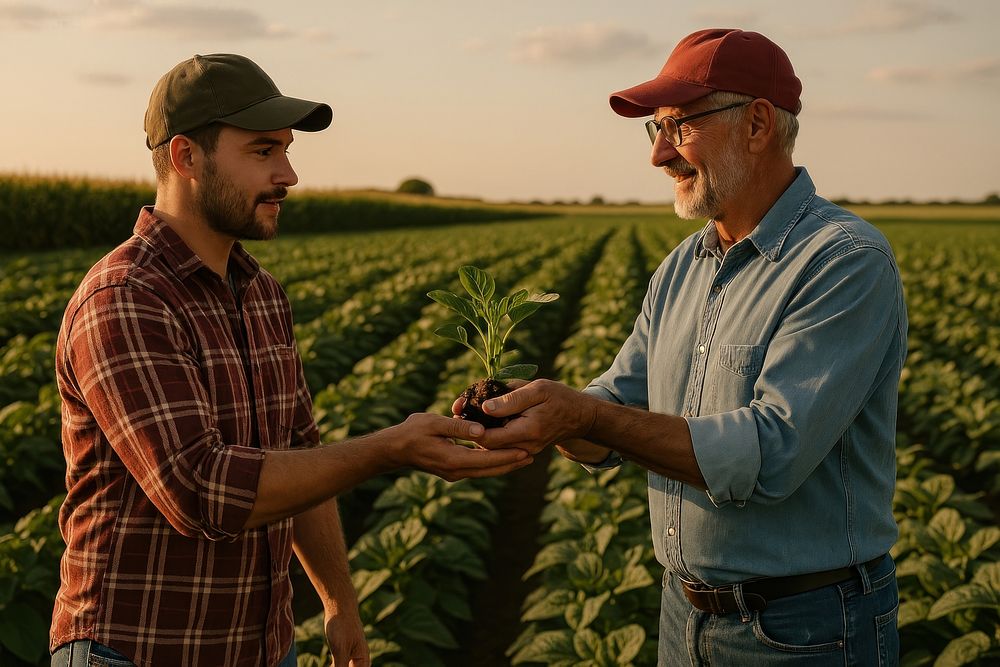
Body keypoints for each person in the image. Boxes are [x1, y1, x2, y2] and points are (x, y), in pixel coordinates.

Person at [50, 53, 530, 667]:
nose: (289, 174)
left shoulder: (261, 293)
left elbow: (301, 454)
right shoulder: (126, 298)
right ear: (186, 157)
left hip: (265, 645)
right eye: (263, 151)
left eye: (286, 150)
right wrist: (388, 449)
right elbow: (199, 490)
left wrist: (339, 602)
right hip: (139, 648)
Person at [468, 29, 907, 665]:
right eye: (656, 130)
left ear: (757, 124)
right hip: (682, 615)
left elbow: (771, 453)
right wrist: (537, 415)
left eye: (679, 126)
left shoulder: (842, 261)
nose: (658, 155)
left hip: (806, 627)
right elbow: (617, 403)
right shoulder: (682, 267)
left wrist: (584, 416)